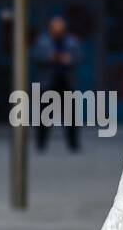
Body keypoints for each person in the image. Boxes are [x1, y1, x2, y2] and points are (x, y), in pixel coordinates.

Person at [32, 15, 84, 151]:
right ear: (51, 29)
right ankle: (41, 144)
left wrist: (69, 59)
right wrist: (50, 57)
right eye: (55, 29)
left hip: (67, 82)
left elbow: (79, 58)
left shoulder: (72, 42)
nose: (58, 31)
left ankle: (73, 144)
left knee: (71, 117)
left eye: (60, 29)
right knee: (44, 117)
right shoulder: (43, 42)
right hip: (48, 83)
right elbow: (35, 56)